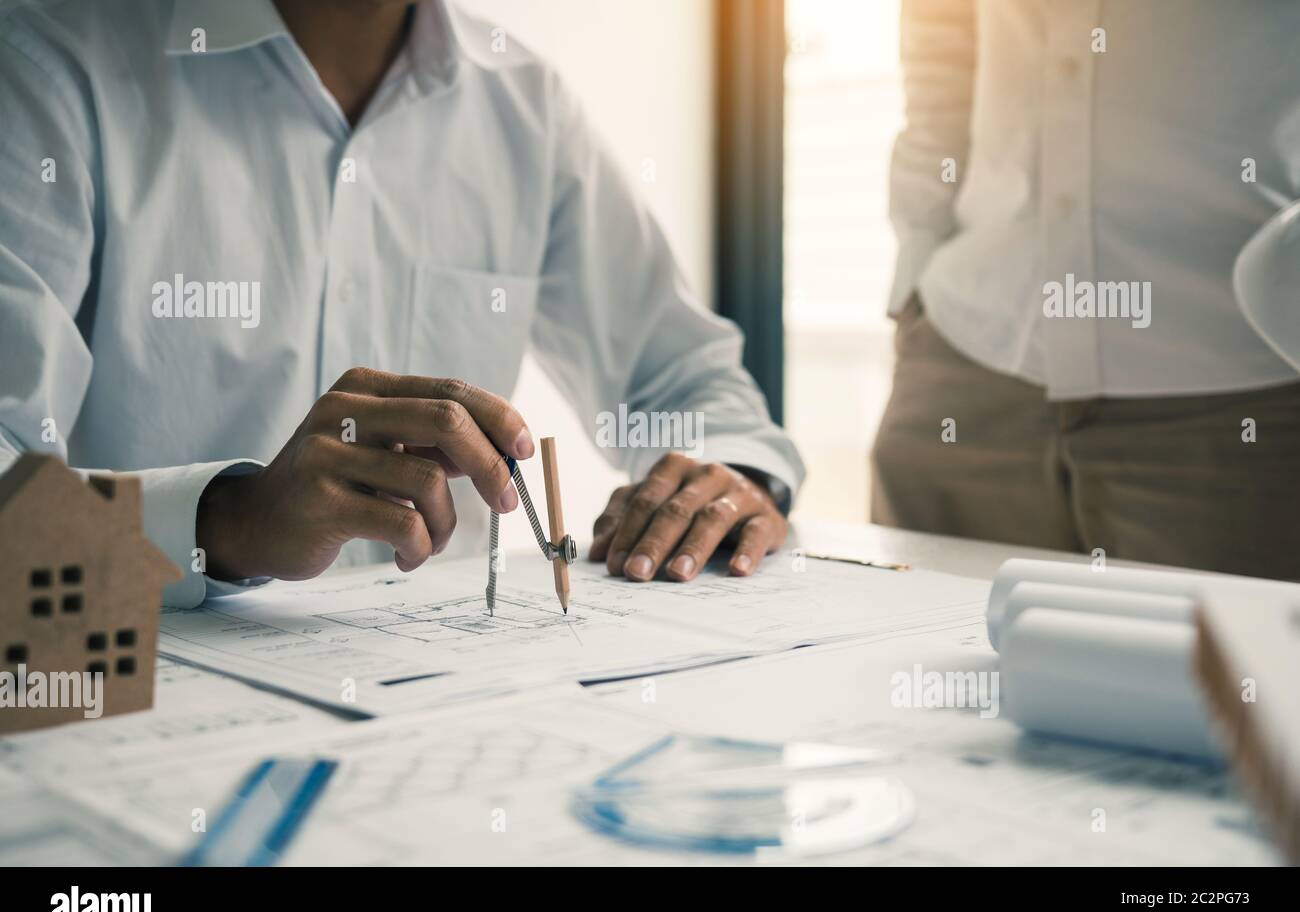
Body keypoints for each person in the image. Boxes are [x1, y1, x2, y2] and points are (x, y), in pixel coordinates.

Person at [0, 0, 804, 608]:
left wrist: (726, 475)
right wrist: (226, 524)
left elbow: (685, 385)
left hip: (441, 722)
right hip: (129, 708)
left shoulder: (525, 108)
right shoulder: (43, 61)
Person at [876, 0, 1300, 579]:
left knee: (1234, 668)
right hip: (963, 364)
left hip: (1244, 396)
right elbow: (940, 42)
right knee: (913, 655)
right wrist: (915, 273)